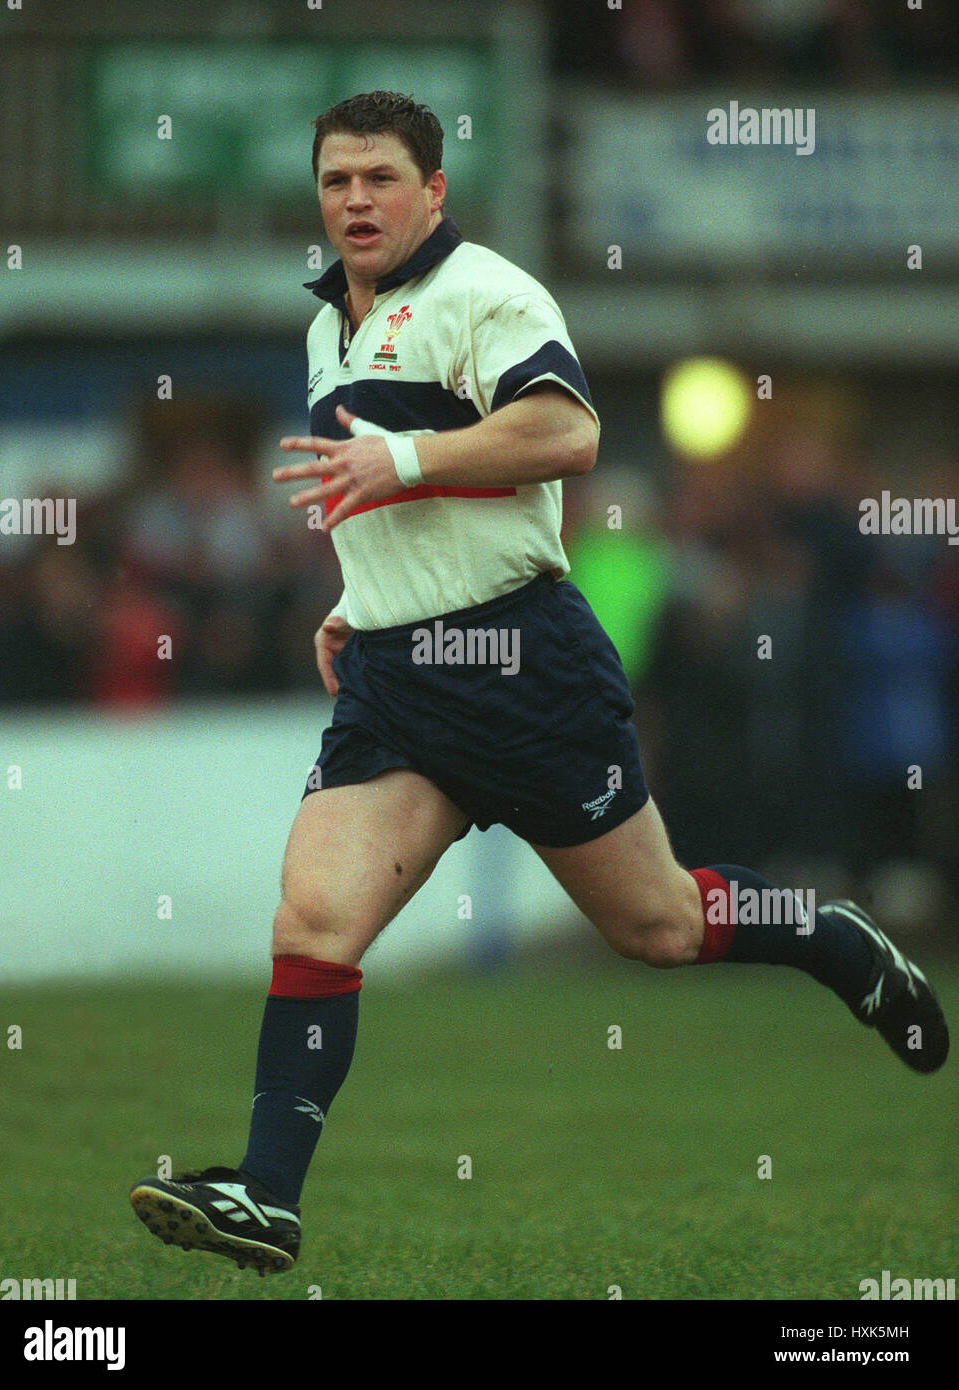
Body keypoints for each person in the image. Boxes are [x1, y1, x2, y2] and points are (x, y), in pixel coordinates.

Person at [130, 92, 949, 1277]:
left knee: (658, 926)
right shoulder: (328, 327)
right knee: (313, 917)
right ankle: (265, 1195)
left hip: (522, 666)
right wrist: (363, 593)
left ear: (433, 192)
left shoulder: (489, 295)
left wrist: (400, 457)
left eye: (378, 179)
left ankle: (833, 941)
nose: (354, 200)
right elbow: (392, 502)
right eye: (335, 181)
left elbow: (564, 438)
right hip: (396, 680)